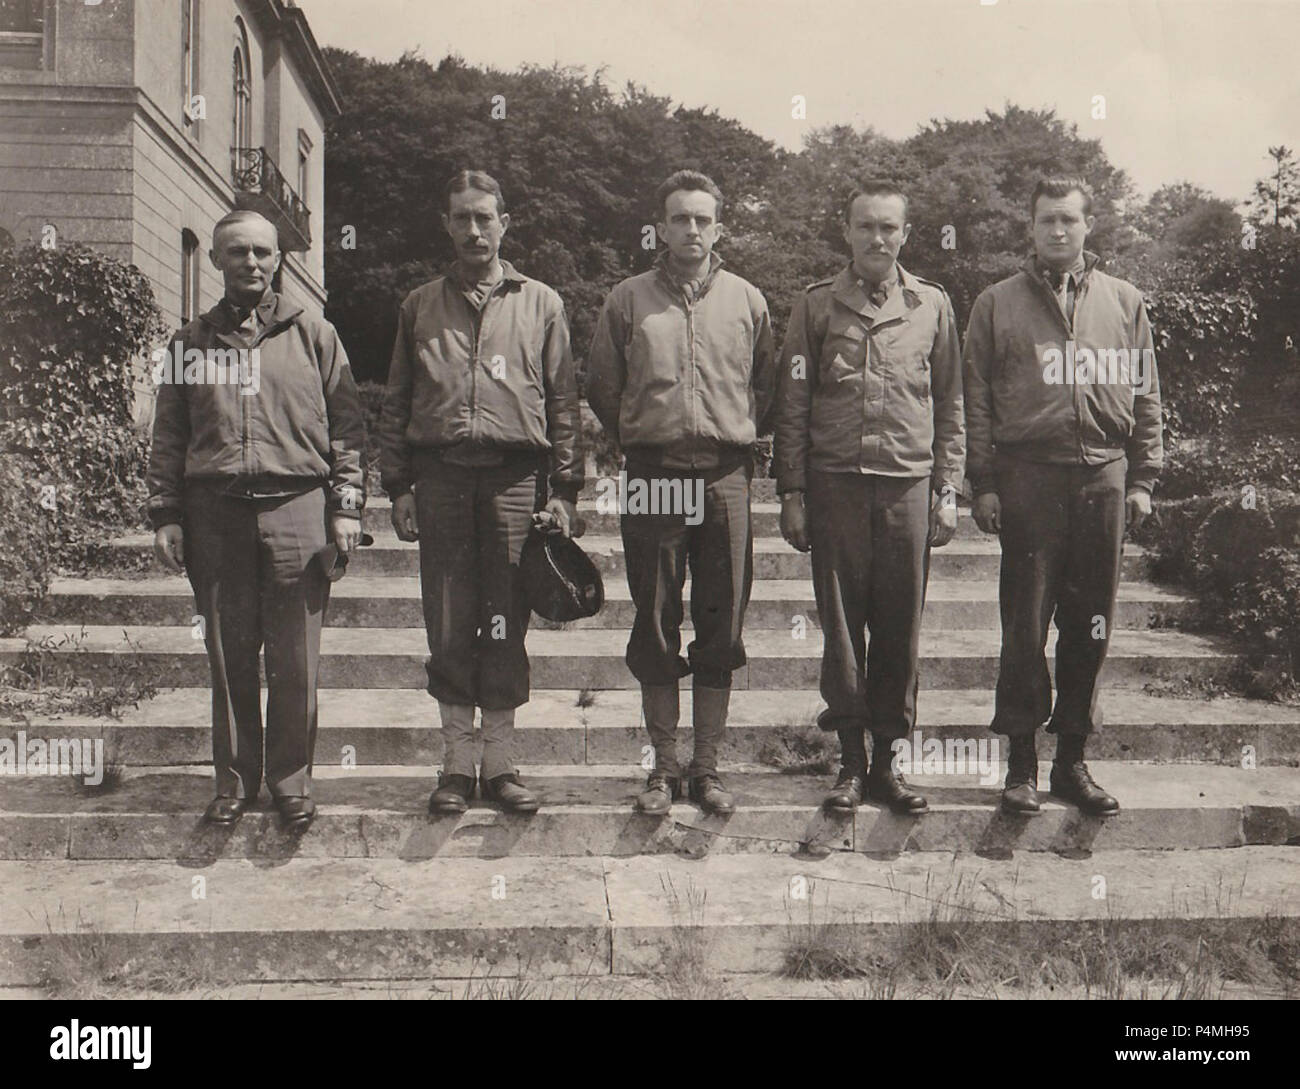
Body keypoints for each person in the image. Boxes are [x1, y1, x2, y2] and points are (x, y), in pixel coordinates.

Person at [147, 209, 366, 830]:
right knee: (229, 655)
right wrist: (166, 512)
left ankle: (293, 781)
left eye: (263, 253)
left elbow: (348, 427)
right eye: (237, 251)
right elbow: (169, 434)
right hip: (213, 513)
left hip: (298, 508)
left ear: (279, 260)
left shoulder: (313, 334)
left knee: (297, 660)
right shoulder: (188, 343)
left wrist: (346, 504)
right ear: (216, 260)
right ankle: (236, 782)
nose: (251, 262)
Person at [378, 170, 582, 815]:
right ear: (447, 224)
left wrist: (565, 489)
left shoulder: (541, 303)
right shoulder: (420, 304)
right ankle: (455, 766)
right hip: (439, 479)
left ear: (504, 223)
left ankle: (500, 764)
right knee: (447, 620)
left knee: (504, 619)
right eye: (461, 217)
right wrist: (398, 485)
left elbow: (562, 401)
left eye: (484, 218)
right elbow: (398, 400)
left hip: (514, 481)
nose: (474, 230)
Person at [963, 175, 1162, 816]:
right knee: (1025, 624)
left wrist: (1143, 478)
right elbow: (977, 402)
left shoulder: (1125, 302)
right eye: (1047, 219)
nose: (1058, 230)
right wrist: (984, 482)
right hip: (1028, 478)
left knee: (1090, 624)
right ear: (1031, 227)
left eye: (1069, 220)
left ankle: (1072, 761)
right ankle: (1021, 764)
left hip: (1102, 477)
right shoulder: (996, 303)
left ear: (1087, 226)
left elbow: (1146, 394)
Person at [587, 170, 775, 816]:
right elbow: (603, 387)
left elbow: (767, 386)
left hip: (725, 474)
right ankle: (663, 767)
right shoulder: (628, 300)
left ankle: (708, 767)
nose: (690, 229)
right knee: (657, 616)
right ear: (660, 228)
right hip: (655, 474)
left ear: (718, 227)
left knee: (721, 621)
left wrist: (732, 433)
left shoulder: (748, 301)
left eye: (702, 218)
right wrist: (646, 437)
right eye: (679, 218)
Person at [773, 181, 965, 814]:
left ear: (906, 234)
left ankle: (891, 764)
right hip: (835, 486)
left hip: (907, 484)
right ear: (846, 232)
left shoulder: (932, 306)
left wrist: (946, 489)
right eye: (865, 227)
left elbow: (950, 403)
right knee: (842, 630)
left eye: (889, 228)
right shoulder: (816, 306)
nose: (877, 239)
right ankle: (850, 763)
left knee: (899, 628)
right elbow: (793, 404)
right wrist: (793, 490)